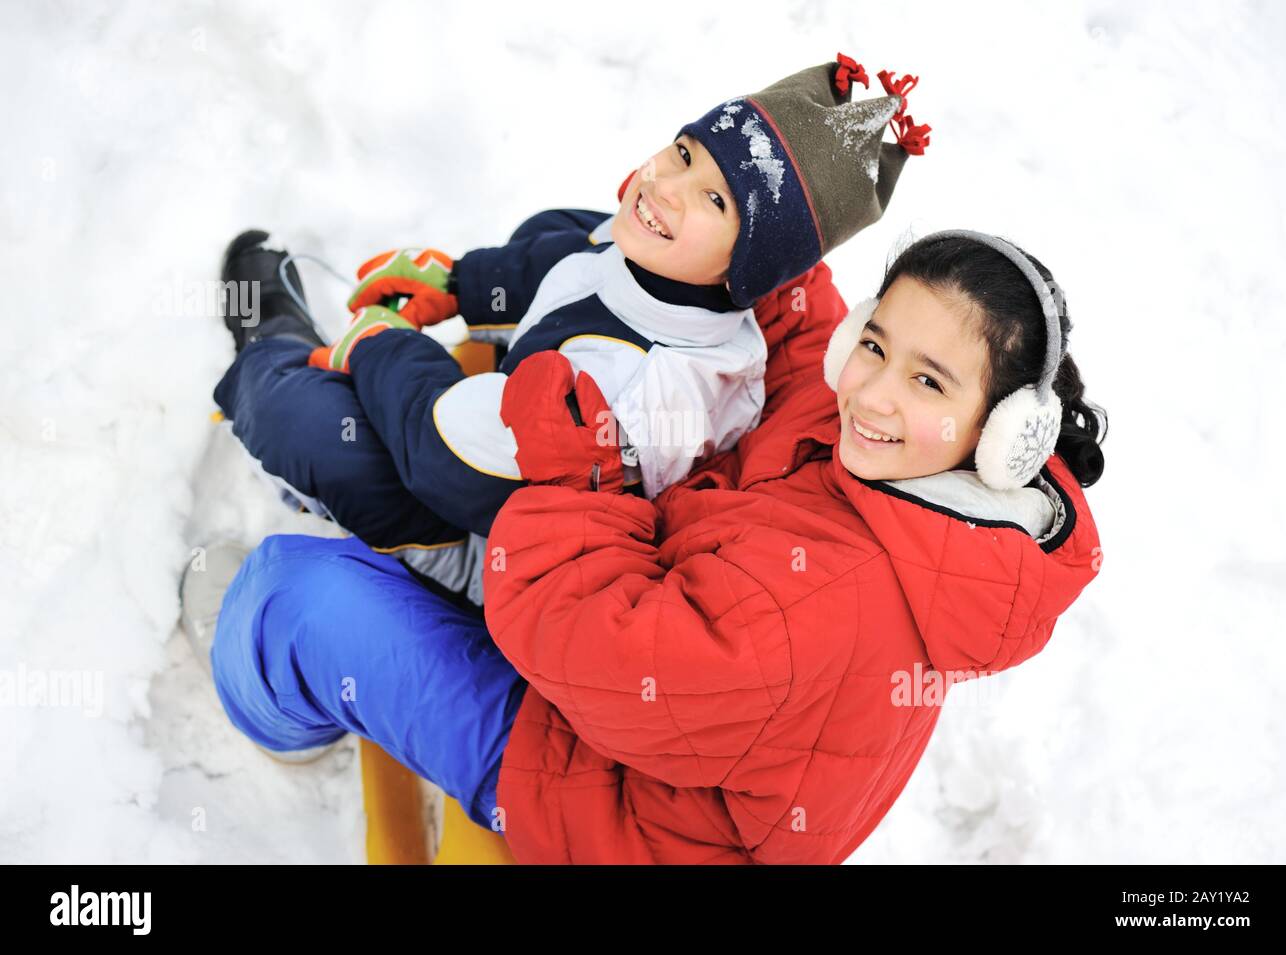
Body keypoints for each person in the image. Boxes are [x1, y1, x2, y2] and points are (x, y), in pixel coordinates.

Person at [184, 227, 1106, 863]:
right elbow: (796, 333)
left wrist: (581, 475)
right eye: (876, 343)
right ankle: (331, 424)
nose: (871, 395)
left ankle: (273, 690)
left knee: (294, 599)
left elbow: (585, 641)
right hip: (631, 609)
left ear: (1006, 433)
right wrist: (742, 219)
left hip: (594, 787)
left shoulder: (831, 603)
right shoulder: (906, 461)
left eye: (929, 379)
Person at [210, 53, 927, 606]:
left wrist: (378, 345)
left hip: (485, 543)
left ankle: (267, 343)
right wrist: (456, 283)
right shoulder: (664, 259)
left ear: (750, 266)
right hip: (502, 427)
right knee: (565, 228)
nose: (666, 187)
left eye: (712, 198)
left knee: (303, 420)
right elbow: (576, 260)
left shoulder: (638, 390)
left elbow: (444, 452)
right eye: (683, 153)